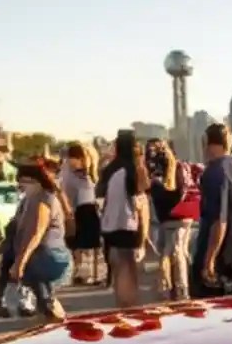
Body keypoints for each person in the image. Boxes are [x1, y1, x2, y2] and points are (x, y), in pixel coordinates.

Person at [192, 123, 232, 297]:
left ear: (207, 143)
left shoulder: (214, 172)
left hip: (221, 255)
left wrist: (209, 260)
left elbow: (219, 220)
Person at [11, 161, 73, 321]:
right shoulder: (35, 198)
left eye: (24, 181)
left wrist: (20, 262)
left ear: (36, 181)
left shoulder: (42, 200)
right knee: (45, 297)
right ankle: (54, 320)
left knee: (43, 296)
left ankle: (56, 322)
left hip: (47, 256)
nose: (21, 185)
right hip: (47, 254)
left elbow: (35, 234)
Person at [98, 130, 151, 308]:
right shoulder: (133, 169)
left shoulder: (110, 169)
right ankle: (129, 305)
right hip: (129, 224)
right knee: (129, 268)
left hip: (110, 224)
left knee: (119, 267)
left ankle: (122, 302)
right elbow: (141, 198)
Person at [148, 142, 188, 301]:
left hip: (167, 221)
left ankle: (169, 289)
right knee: (176, 255)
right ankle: (180, 289)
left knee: (168, 255)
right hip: (178, 221)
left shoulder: (157, 180)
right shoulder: (179, 172)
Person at [60, 142, 101, 284]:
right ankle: (78, 273)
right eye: (71, 158)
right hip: (76, 210)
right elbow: (66, 194)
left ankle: (93, 274)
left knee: (91, 245)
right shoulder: (68, 175)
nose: (72, 161)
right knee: (76, 244)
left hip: (90, 209)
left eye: (75, 158)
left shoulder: (89, 174)